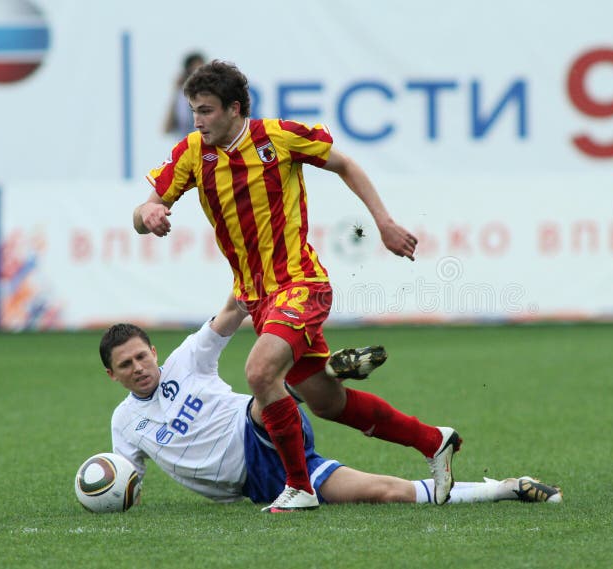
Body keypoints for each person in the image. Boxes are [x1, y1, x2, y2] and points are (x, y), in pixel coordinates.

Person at [133, 60, 461, 512]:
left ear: (234, 109)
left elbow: (346, 163)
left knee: (260, 372)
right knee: (327, 402)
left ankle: (299, 487)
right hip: (259, 300)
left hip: (301, 284)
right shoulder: (193, 152)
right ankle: (433, 440)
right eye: (193, 110)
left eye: (206, 110)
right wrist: (147, 216)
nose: (197, 120)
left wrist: (383, 223)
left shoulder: (278, 136)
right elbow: (144, 208)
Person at [100, 295, 563, 508]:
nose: (138, 367)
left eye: (142, 356)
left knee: (262, 399)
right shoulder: (125, 423)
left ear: (154, 352)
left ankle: (321, 377)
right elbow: (128, 483)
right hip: (264, 480)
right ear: (113, 375)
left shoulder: (186, 361)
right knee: (384, 493)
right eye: (126, 365)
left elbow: (230, 312)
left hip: (259, 426)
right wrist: (111, 494)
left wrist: (250, 283)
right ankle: (506, 488)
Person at [162, 51, 206, 138]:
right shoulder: (181, 99)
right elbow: (167, 129)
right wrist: (175, 91)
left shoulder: (213, 98)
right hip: (187, 149)